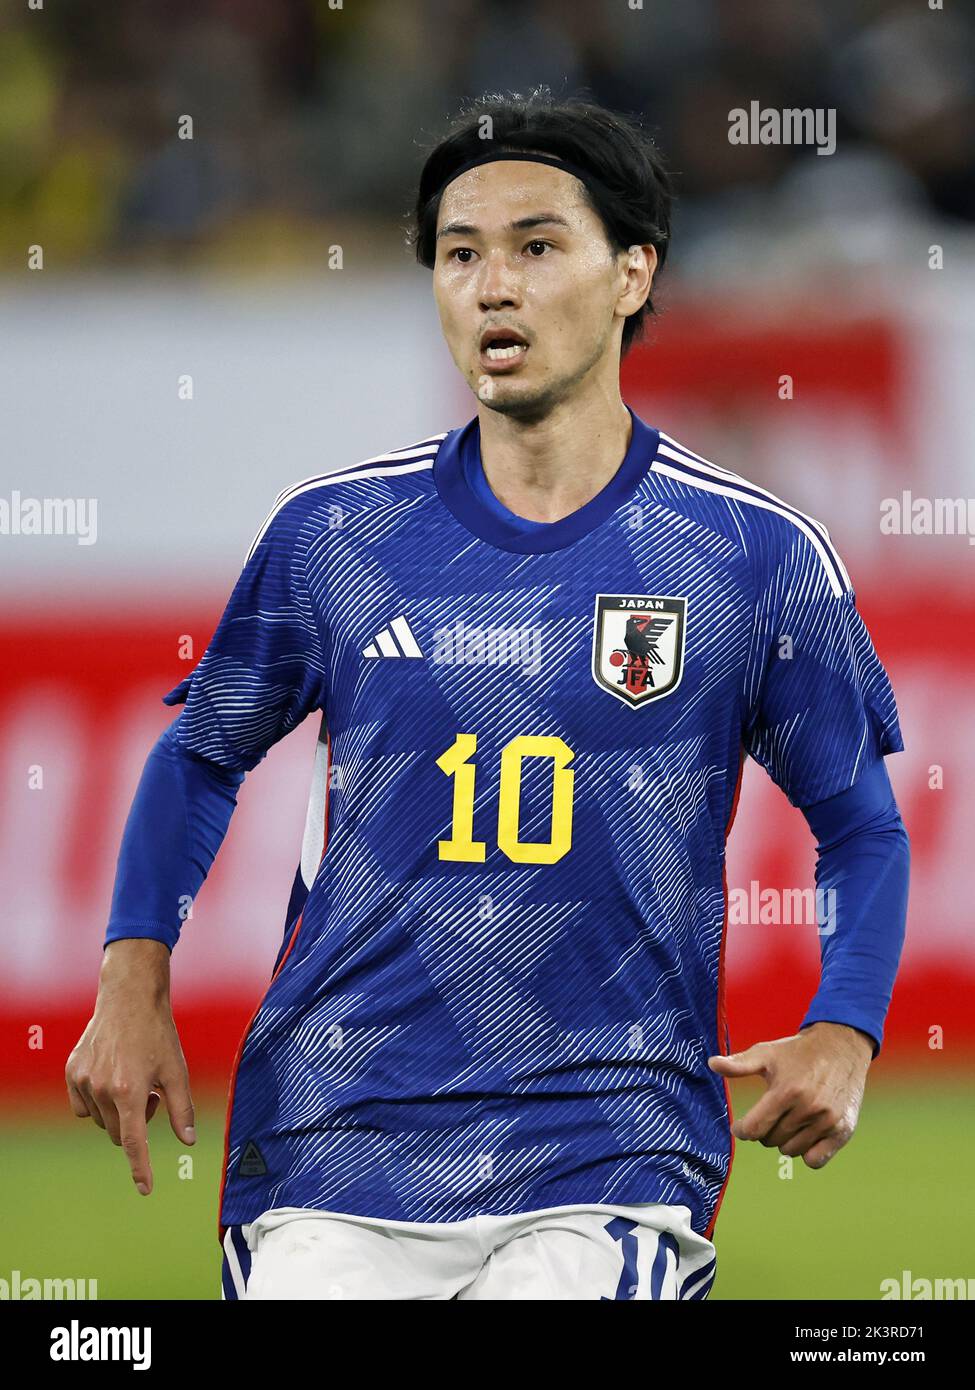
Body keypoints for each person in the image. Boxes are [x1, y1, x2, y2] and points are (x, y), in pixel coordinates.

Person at [66, 89, 910, 1301]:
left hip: (609, 1145)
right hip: (336, 1136)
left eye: (536, 246)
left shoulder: (749, 553)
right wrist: (131, 977)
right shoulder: (337, 535)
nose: (492, 286)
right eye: (460, 255)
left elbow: (862, 824)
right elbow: (202, 753)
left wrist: (846, 1025)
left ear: (631, 273)